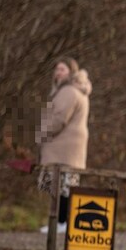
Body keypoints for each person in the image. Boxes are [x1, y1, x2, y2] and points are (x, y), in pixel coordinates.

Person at [37, 57, 92, 234]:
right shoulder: (79, 90)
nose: (58, 72)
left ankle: (61, 222)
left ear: (71, 72)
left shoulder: (68, 91)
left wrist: (42, 133)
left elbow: (59, 119)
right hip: (72, 147)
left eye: (62, 69)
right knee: (67, 186)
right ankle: (64, 222)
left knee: (60, 186)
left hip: (63, 146)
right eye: (57, 69)